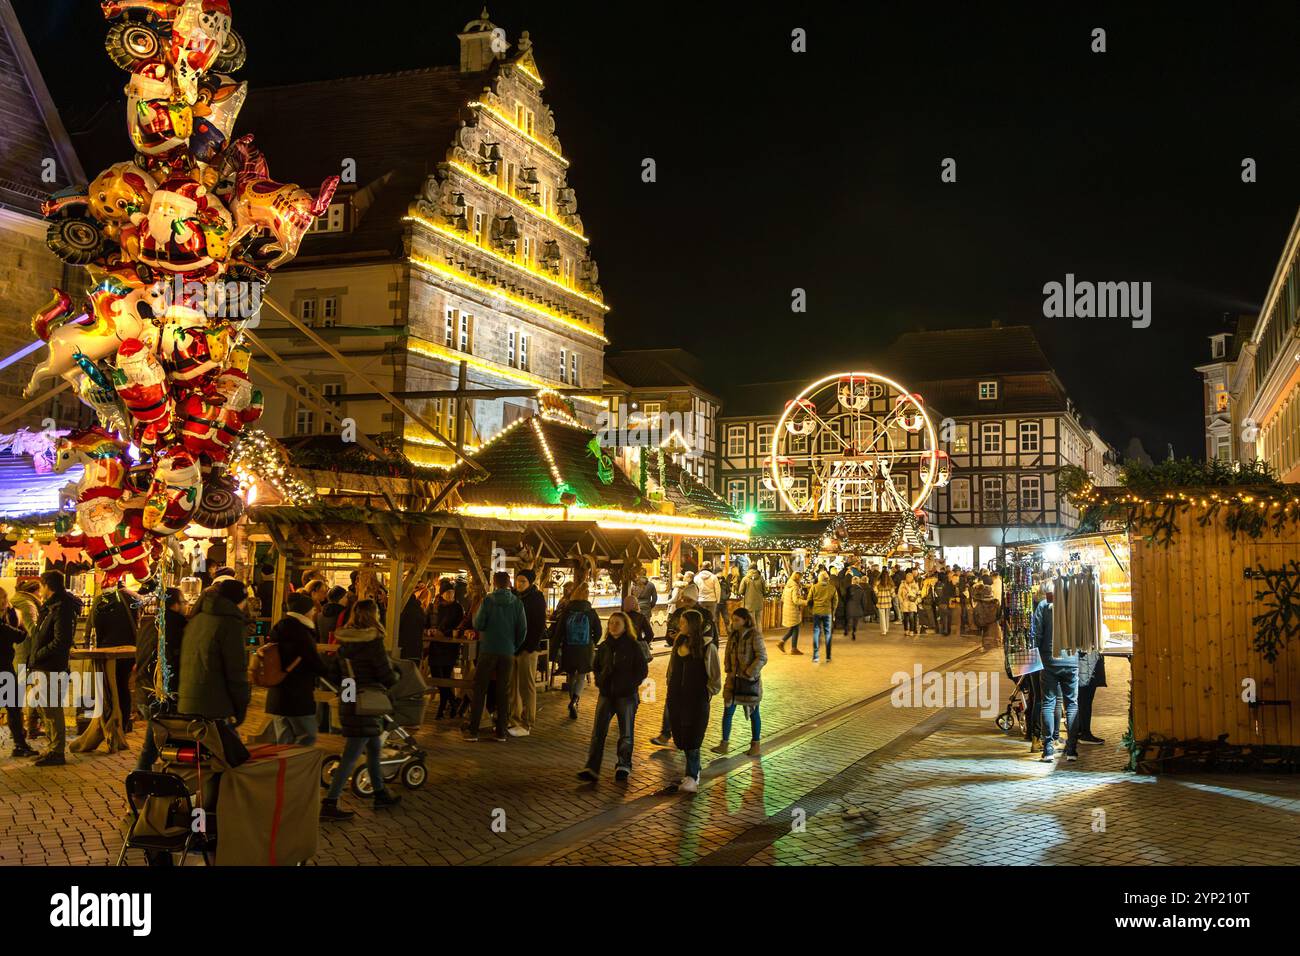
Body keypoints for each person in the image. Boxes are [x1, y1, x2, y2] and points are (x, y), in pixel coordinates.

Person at [321, 600, 401, 819]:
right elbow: (385, 674)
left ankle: (380, 791)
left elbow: (333, 675)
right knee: (351, 754)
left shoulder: (344, 643)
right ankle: (330, 802)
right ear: (374, 616)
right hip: (368, 701)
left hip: (350, 698)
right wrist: (397, 676)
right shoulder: (374, 642)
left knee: (374, 747)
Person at [577, 611, 650, 783]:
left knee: (626, 732)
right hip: (607, 694)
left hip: (626, 695)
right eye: (611, 623)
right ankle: (592, 767)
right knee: (598, 732)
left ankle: (623, 764)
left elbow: (641, 670)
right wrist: (600, 681)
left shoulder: (633, 646)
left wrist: (630, 684)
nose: (613, 626)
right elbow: (596, 666)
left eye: (617, 623)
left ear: (626, 626)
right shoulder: (604, 646)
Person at [179, 578, 252, 728]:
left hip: (187, 700)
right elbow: (236, 671)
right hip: (215, 705)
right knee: (228, 749)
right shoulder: (230, 624)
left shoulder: (197, 619)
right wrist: (241, 707)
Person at [28, 570, 82, 766]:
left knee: (52, 709)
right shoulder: (51, 607)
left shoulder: (62, 609)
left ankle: (57, 751)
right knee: (45, 708)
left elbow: (61, 641)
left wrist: (39, 654)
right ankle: (52, 748)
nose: (40, 590)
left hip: (51, 666)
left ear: (47, 586)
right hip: (43, 666)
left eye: (41, 585)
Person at [465, 572, 527, 742]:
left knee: (480, 690)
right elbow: (522, 630)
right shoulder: (517, 603)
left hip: (488, 650)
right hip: (507, 652)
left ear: (494, 583)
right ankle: (501, 732)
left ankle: (473, 731)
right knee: (503, 692)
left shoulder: (488, 601)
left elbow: (478, 624)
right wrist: (513, 646)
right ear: (509, 583)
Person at [665, 609, 721, 793]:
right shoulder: (678, 642)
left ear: (692, 625)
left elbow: (714, 675)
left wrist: (707, 693)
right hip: (676, 696)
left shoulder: (707, 646)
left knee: (693, 736)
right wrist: (670, 683)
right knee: (680, 733)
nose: (679, 626)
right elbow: (672, 667)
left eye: (682, 622)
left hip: (696, 698)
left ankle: (692, 776)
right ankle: (691, 773)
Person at [265, 591, 330, 746]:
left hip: (277, 695)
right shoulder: (301, 632)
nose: (315, 612)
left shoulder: (279, 627)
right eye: (312, 610)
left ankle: (282, 769)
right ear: (305, 611)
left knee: (283, 741)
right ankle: (297, 768)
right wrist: (336, 674)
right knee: (307, 736)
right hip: (297, 696)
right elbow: (314, 662)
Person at [1029, 583, 1078, 762]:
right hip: (1071, 659)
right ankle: (1072, 749)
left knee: (1048, 703)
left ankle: (1048, 748)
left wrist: (1036, 654)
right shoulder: (1074, 605)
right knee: (1071, 704)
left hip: (1049, 660)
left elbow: (1036, 634)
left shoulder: (1043, 606)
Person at [712, 607, 766, 757]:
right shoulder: (733, 635)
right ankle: (724, 744)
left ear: (745, 620)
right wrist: (728, 668)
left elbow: (762, 657)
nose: (733, 622)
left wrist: (749, 672)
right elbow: (728, 653)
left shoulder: (755, 636)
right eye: (733, 619)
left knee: (754, 712)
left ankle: (755, 744)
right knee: (728, 711)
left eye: (737, 620)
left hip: (748, 682)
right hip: (733, 681)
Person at [548, 581, 601, 721]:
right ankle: (576, 700)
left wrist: (554, 651)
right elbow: (599, 631)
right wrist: (592, 641)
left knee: (571, 675)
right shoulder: (591, 612)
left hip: (569, 647)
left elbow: (559, 632)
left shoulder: (567, 612)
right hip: (585, 648)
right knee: (582, 675)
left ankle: (572, 700)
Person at [509, 569, 548, 737]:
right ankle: (513, 719)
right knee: (513, 686)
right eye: (518, 580)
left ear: (530, 582)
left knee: (527, 685)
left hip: (528, 648)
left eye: (523, 581)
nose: (519, 584)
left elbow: (539, 624)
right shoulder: (513, 597)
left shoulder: (537, 598)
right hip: (513, 647)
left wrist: (531, 646)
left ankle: (527, 721)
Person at [427, 579, 464, 720]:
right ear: (441, 594)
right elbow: (427, 621)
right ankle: (453, 702)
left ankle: (441, 709)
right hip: (435, 646)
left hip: (449, 647)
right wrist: (429, 630)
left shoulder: (457, 608)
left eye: (452, 592)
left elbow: (459, 625)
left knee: (446, 678)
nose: (450, 595)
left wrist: (446, 633)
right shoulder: (434, 607)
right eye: (447, 592)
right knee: (438, 678)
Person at [0, 605, 34, 757]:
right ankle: (20, 744)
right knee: (13, 708)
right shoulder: (4, 628)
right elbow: (22, 635)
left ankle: (20, 744)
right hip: (4, 670)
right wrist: (17, 617)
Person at [1075, 648, 1107, 745]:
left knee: (1081, 699)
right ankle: (1084, 733)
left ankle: (1080, 731)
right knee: (1085, 699)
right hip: (1087, 662)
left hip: (1084, 661)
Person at [807, 571, 839, 663]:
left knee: (816, 633)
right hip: (827, 612)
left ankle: (815, 656)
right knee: (828, 634)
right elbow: (835, 601)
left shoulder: (814, 587)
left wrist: (811, 610)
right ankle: (828, 656)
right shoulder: (832, 588)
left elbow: (809, 600)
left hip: (816, 612)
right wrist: (833, 612)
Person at [776, 571, 805, 654]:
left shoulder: (788, 585)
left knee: (794, 628)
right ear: (798, 578)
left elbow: (783, 598)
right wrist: (805, 602)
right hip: (793, 610)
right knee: (795, 628)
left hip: (787, 608)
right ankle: (793, 648)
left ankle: (782, 642)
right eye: (800, 578)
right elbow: (796, 600)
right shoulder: (795, 587)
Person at [971, 573, 1002, 650]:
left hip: (985, 629)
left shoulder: (980, 603)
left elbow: (977, 616)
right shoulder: (996, 602)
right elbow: (999, 615)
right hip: (995, 629)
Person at [397, 587, 427, 663]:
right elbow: (424, 624)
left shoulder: (400, 610)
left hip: (402, 649)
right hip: (416, 649)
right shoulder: (419, 610)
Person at [739, 565, 766, 635]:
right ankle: (759, 635)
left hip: (749, 603)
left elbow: (741, 591)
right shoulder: (761, 578)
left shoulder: (745, 579)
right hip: (759, 603)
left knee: (751, 621)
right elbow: (765, 591)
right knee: (759, 620)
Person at [844, 575, 869, 641]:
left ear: (852, 581)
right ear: (858, 582)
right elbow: (864, 601)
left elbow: (845, 598)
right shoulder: (861, 591)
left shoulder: (847, 589)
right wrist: (863, 609)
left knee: (848, 620)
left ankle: (846, 630)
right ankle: (853, 632)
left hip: (848, 607)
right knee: (855, 621)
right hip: (858, 608)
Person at [874, 568, 896, 636]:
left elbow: (875, 590)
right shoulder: (890, 583)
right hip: (888, 601)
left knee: (882, 616)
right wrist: (892, 596)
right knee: (887, 616)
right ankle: (886, 628)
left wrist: (878, 594)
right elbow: (893, 593)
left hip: (880, 601)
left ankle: (883, 630)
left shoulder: (878, 582)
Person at [898, 571, 921, 636]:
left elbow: (916, 594)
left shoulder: (915, 584)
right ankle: (906, 630)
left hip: (912, 603)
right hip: (905, 603)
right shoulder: (902, 584)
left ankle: (912, 630)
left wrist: (907, 588)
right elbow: (899, 594)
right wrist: (901, 601)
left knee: (911, 617)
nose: (908, 578)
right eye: (907, 577)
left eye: (910, 577)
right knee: (905, 618)